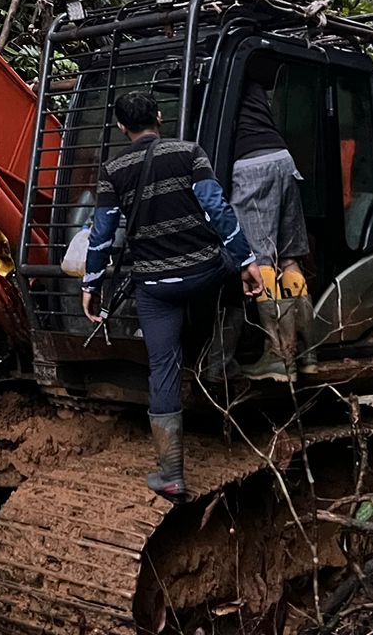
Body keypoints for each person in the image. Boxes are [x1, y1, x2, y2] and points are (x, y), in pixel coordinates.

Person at [81, 92, 264, 500]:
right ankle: (220, 360)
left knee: (162, 367)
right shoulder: (190, 153)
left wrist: (91, 285)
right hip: (204, 272)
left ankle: (172, 475)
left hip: (156, 287)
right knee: (237, 285)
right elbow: (218, 211)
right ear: (160, 118)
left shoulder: (113, 171)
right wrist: (247, 261)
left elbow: (102, 235)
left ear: (120, 127)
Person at [228, 59, 314, 382]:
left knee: (259, 258)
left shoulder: (217, 69)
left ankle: (278, 354)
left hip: (252, 168)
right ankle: (306, 353)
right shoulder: (249, 77)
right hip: (282, 159)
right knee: (289, 257)